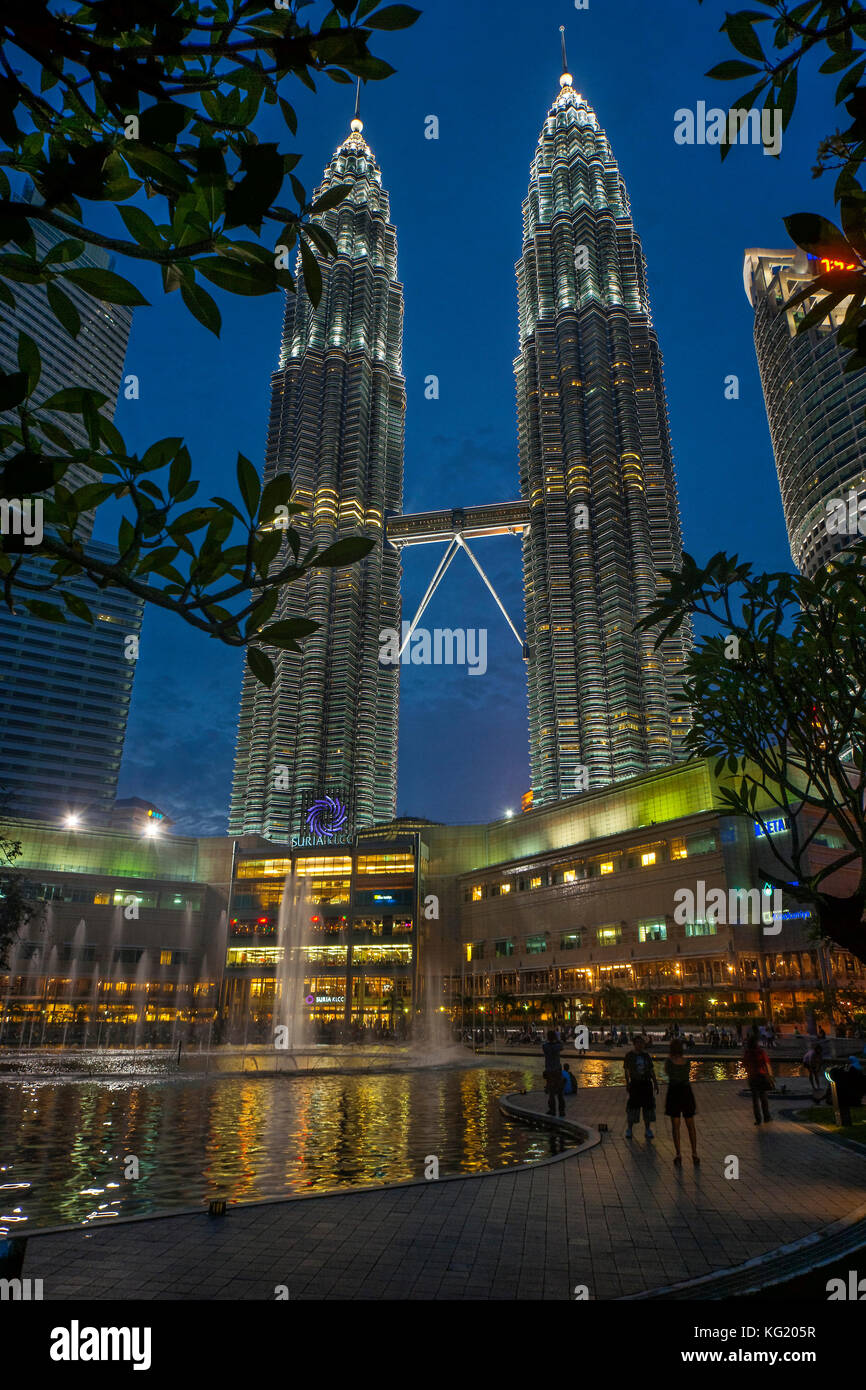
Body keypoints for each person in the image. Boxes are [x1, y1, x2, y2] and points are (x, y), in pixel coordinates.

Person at [664, 1039, 699, 1165]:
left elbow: (668, 1073)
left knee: (675, 1125)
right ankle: (694, 1153)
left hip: (674, 1092)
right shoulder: (687, 1062)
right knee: (690, 1125)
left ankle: (678, 1154)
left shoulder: (669, 1062)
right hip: (686, 1092)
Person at [623, 1035, 659, 1139]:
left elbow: (651, 1070)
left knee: (648, 1107)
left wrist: (655, 1083)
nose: (640, 1045)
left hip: (646, 1084)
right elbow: (626, 1070)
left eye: (642, 1043)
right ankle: (629, 1129)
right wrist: (627, 1082)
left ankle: (647, 1129)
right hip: (635, 1083)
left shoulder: (646, 1056)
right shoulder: (629, 1055)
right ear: (634, 1044)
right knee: (633, 1106)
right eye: (638, 1043)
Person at [743, 1028, 774, 1124]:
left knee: (755, 1100)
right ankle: (767, 1117)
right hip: (761, 1076)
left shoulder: (747, 1053)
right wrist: (771, 1076)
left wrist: (748, 1077)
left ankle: (758, 1119)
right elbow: (767, 1064)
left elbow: (746, 1066)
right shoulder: (761, 1052)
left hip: (753, 1078)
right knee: (763, 1098)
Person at [542, 1029, 565, 1117]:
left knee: (551, 1093)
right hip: (557, 1072)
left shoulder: (545, 1046)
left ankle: (552, 1110)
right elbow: (562, 1045)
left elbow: (544, 1044)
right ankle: (562, 1111)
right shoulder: (558, 1046)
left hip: (549, 1072)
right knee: (560, 1093)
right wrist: (557, 1039)